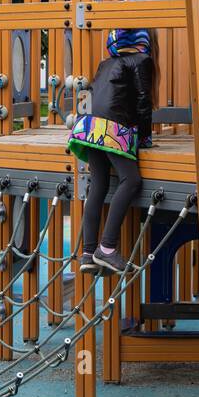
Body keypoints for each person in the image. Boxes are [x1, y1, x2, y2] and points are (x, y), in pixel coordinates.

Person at [66, 28, 155, 273]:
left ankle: (87, 253)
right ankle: (106, 249)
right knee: (131, 180)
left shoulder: (105, 64)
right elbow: (143, 100)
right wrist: (145, 136)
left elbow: (92, 94)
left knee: (99, 184)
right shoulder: (141, 61)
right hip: (111, 126)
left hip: (86, 126)